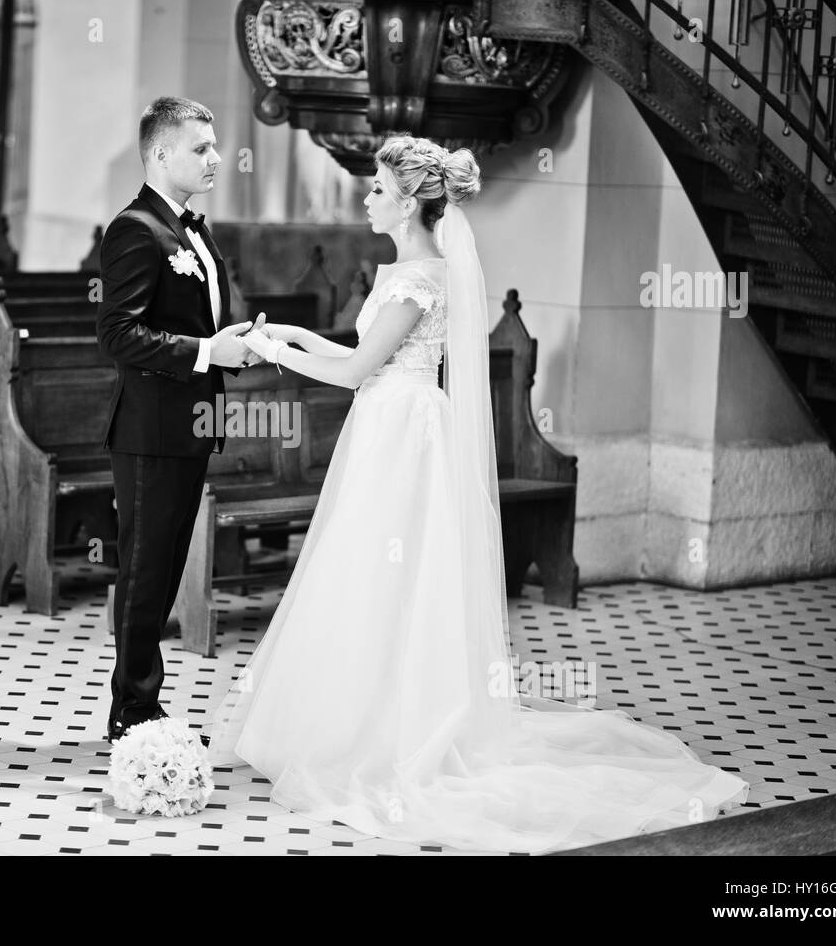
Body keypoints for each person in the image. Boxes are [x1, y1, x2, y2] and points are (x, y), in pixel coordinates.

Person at [216, 134, 750, 853]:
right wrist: (291, 331)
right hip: (386, 422)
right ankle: (341, 713)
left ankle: (386, 728)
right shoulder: (401, 269)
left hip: (402, 433)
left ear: (407, 203)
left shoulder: (420, 279)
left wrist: (273, 352)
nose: (366, 197)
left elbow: (354, 373)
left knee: (391, 576)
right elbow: (356, 354)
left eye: (376, 189)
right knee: (362, 572)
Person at [96, 96, 262, 745]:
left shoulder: (195, 229)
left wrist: (237, 342)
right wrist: (203, 354)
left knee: (162, 572)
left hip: (190, 425)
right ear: (161, 154)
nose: (217, 157)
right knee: (143, 571)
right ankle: (131, 710)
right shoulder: (135, 229)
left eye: (216, 145)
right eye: (201, 147)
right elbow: (118, 334)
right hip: (148, 432)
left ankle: (143, 703)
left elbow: (201, 322)